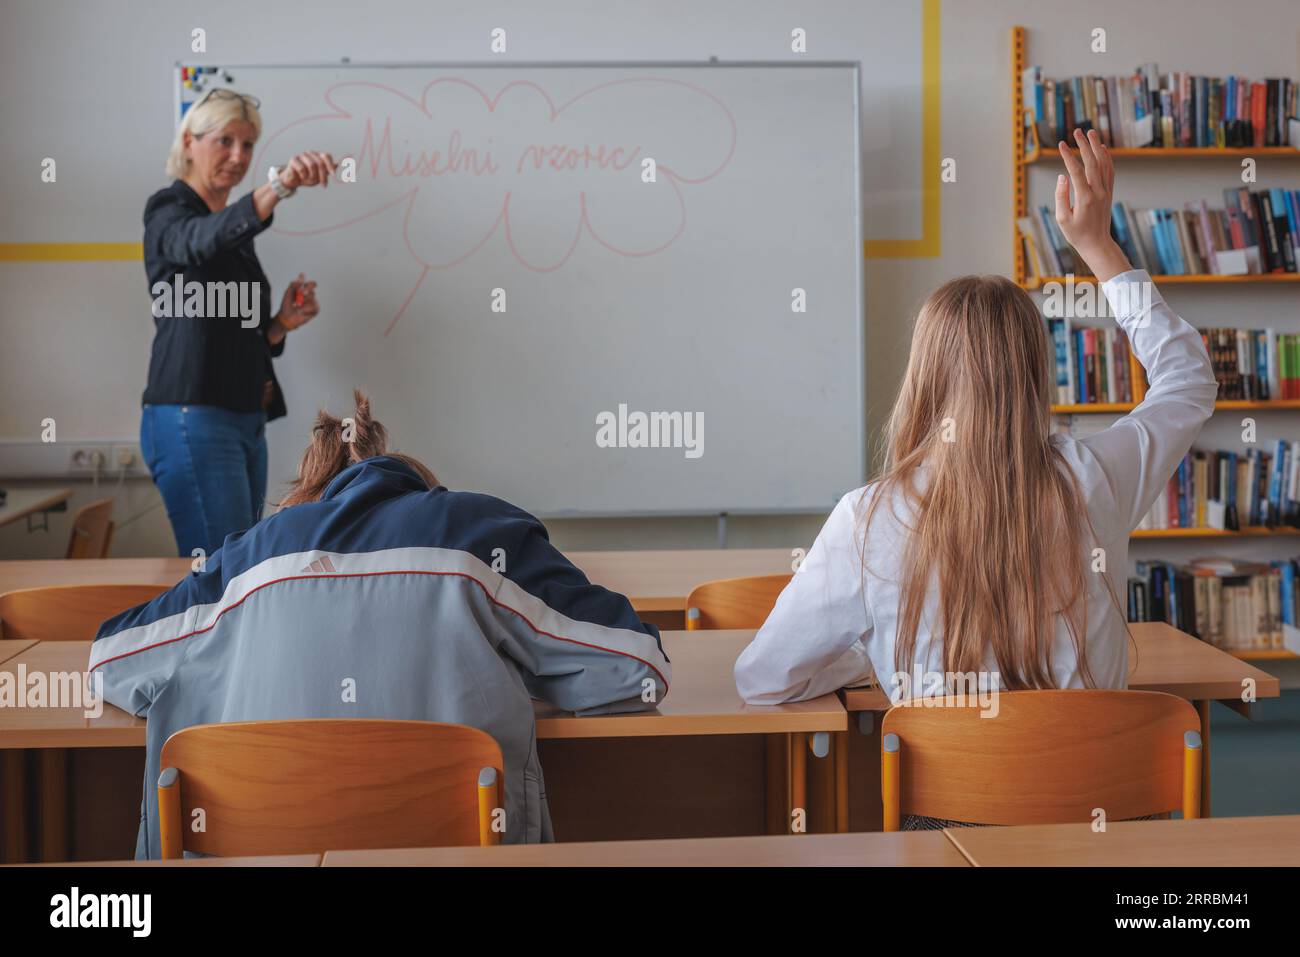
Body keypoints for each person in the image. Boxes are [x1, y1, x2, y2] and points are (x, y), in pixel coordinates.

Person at [735, 130, 1216, 757]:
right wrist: (1097, 245)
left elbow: (764, 678)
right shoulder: (1098, 475)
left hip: (945, 836)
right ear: (1036, 373)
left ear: (924, 378)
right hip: (1101, 828)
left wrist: (868, 657)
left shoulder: (869, 515)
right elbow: (1187, 379)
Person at [91, 391, 671, 857]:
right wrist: (518, 670)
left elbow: (109, 664)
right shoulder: (478, 530)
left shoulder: (248, 555)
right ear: (418, 485)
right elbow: (636, 668)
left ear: (309, 496)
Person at [142, 87, 338, 557]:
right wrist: (279, 186)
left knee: (244, 565)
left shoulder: (232, 228)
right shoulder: (169, 211)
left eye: (248, 145)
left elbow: (226, 332)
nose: (237, 156)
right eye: (225, 141)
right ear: (189, 141)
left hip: (243, 418)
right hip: (193, 416)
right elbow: (198, 241)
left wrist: (281, 324)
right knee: (223, 573)